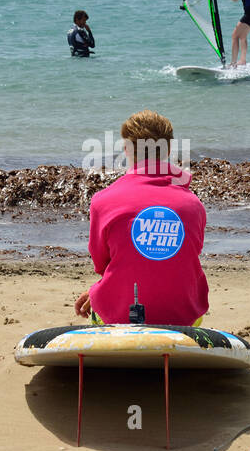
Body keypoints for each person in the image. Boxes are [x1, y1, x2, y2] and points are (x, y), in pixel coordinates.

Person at [75, 110, 208, 326]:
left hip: (119, 318)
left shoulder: (103, 200)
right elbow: (187, 255)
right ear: (169, 149)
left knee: (103, 293)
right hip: (185, 317)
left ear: (126, 149)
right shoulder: (193, 205)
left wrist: (99, 290)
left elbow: (101, 264)